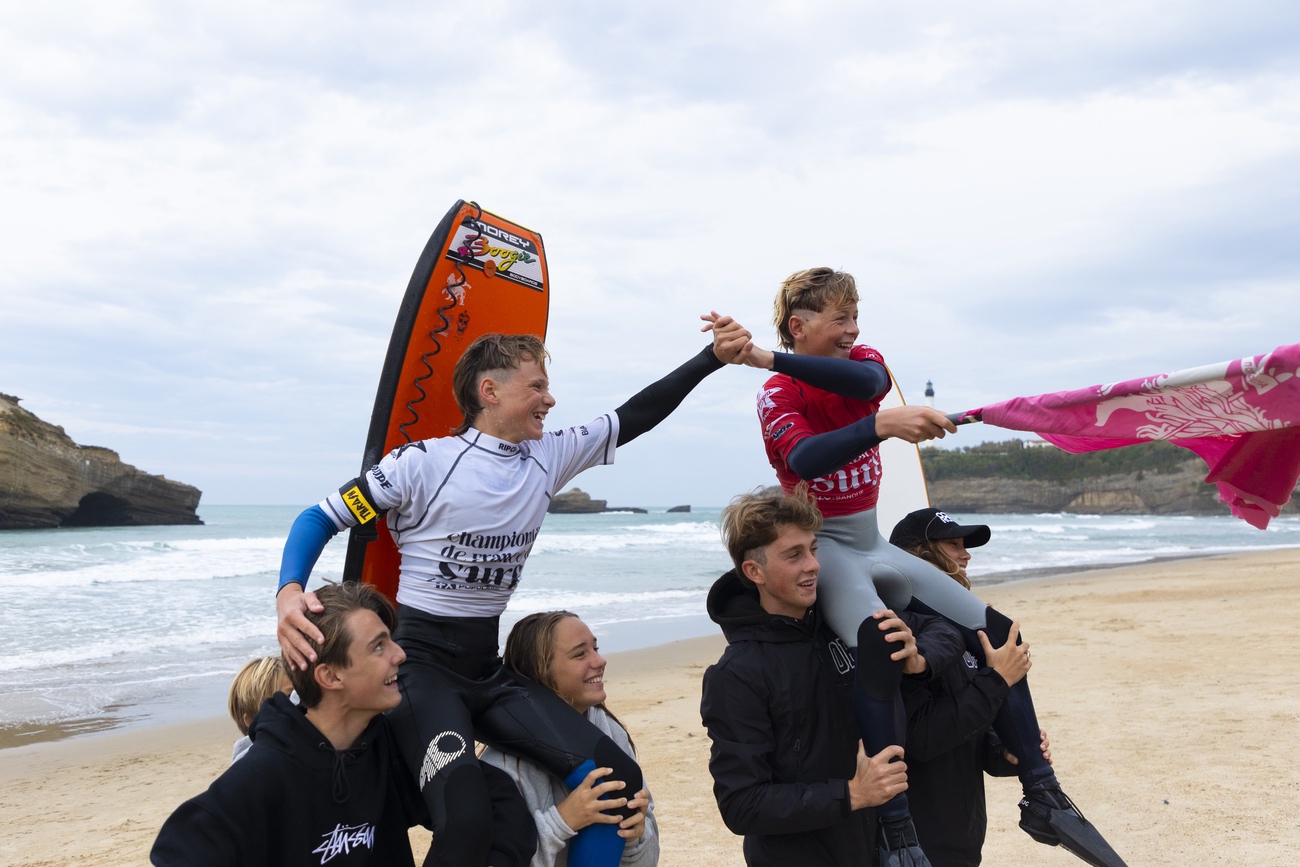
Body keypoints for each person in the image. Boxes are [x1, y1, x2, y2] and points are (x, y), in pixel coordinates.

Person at [276, 329, 749, 867]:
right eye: (538, 386)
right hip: (422, 671)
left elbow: (636, 414)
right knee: (469, 815)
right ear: (490, 391)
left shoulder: (549, 455)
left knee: (617, 780)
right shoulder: (422, 464)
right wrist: (289, 592)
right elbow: (320, 517)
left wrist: (711, 358)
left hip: (487, 670)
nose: (549, 399)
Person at [704, 267, 1125, 867]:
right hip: (839, 551)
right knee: (881, 649)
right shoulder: (777, 394)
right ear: (800, 326)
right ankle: (899, 831)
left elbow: (871, 378)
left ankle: (1043, 792)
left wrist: (768, 355)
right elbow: (804, 454)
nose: (854, 329)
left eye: (856, 316)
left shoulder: (861, 360)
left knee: (1000, 630)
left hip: (876, 540)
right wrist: (874, 423)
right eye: (839, 319)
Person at [152, 582, 534, 867]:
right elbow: (177, 851)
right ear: (330, 677)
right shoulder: (264, 772)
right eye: (379, 646)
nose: (400, 655)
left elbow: (496, 798)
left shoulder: (391, 748)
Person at [700, 488, 963, 867]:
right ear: (753, 571)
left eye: (813, 549)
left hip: (878, 847)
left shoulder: (845, 620)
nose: (813, 565)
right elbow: (741, 805)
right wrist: (851, 794)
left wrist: (918, 658)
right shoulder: (737, 674)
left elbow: (944, 628)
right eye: (794, 555)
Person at [890, 508, 1052, 867]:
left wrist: (1004, 753)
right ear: (916, 556)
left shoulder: (959, 629)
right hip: (915, 842)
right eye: (953, 545)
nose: (966, 555)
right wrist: (997, 680)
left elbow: (967, 734)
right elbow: (921, 738)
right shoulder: (899, 631)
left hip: (960, 834)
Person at [481, 611, 658, 867]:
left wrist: (635, 837)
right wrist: (562, 821)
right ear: (539, 671)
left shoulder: (609, 733)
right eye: (580, 654)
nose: (600, 660)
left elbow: (648, 862)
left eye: (595, 648)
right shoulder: (505, 765)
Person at [227, 655, 291, 763]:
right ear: (252, 722)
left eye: (299, 695)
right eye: (287, 698)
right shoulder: (253, 771)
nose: (299, 703)